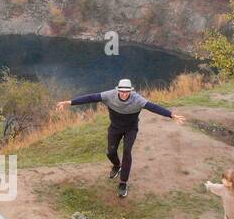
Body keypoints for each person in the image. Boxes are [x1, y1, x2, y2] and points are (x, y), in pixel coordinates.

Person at [56, 78, 185, 198]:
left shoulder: (137, 99)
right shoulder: (109, 95)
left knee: (127, 151)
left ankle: (123, 183)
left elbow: (153, 107)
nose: (124, 94)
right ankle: (117, 165)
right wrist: (70, 102)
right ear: (118, 90)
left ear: (131, 91)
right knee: (110, 152)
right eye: (121, 91)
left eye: (126, 92)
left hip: (130, 129)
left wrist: (171, 115)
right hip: (115, 128)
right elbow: (91, 97)